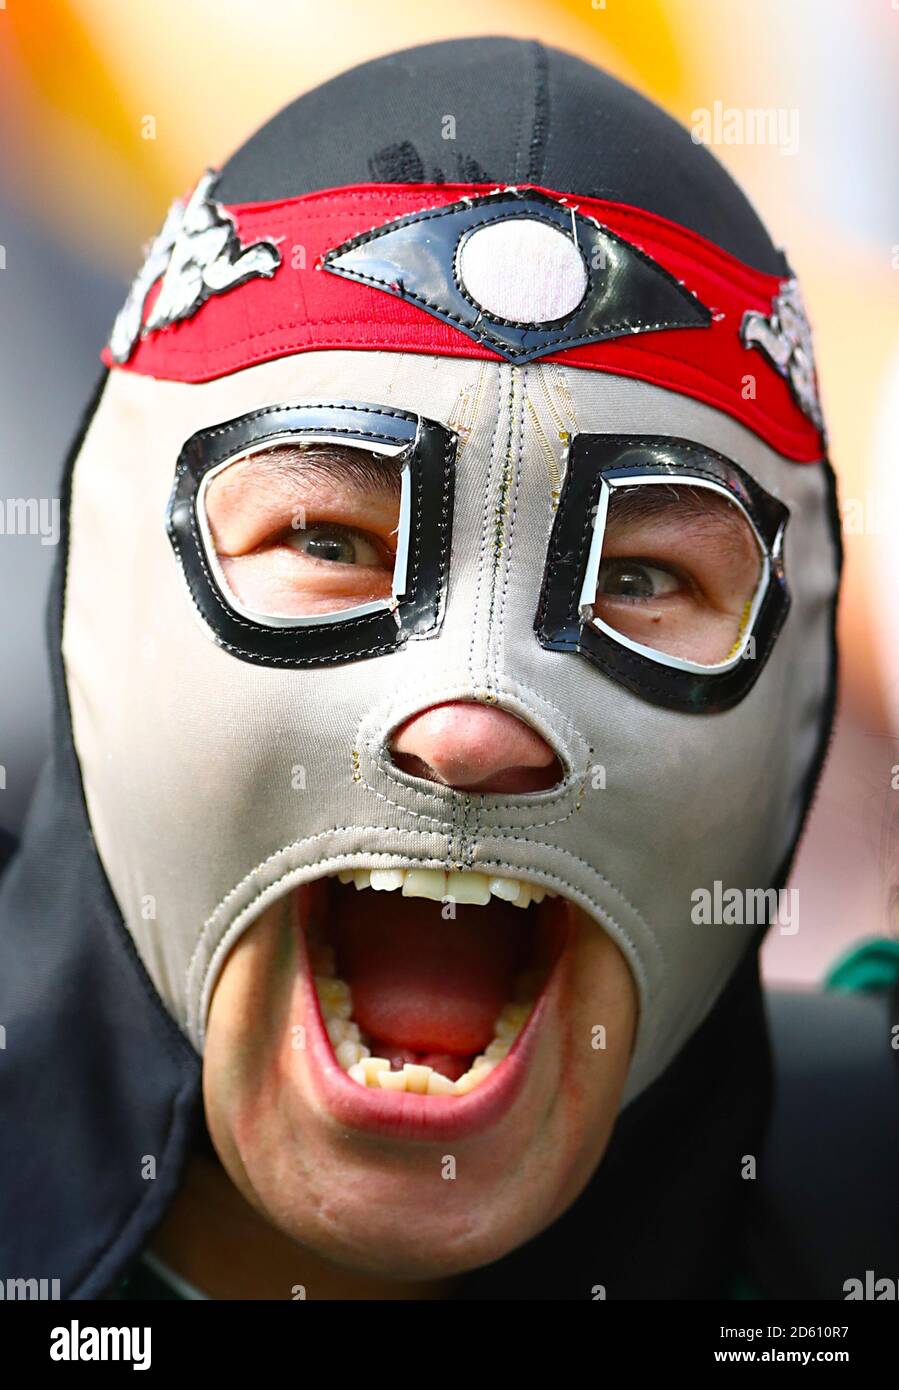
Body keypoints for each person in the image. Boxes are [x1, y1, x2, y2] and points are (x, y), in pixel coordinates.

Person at [1, 37, 894, 1302]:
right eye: (326, 540)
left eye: (638, 579)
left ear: (801, 710)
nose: (471, 728)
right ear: (97, 597)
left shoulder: (855, 1208)